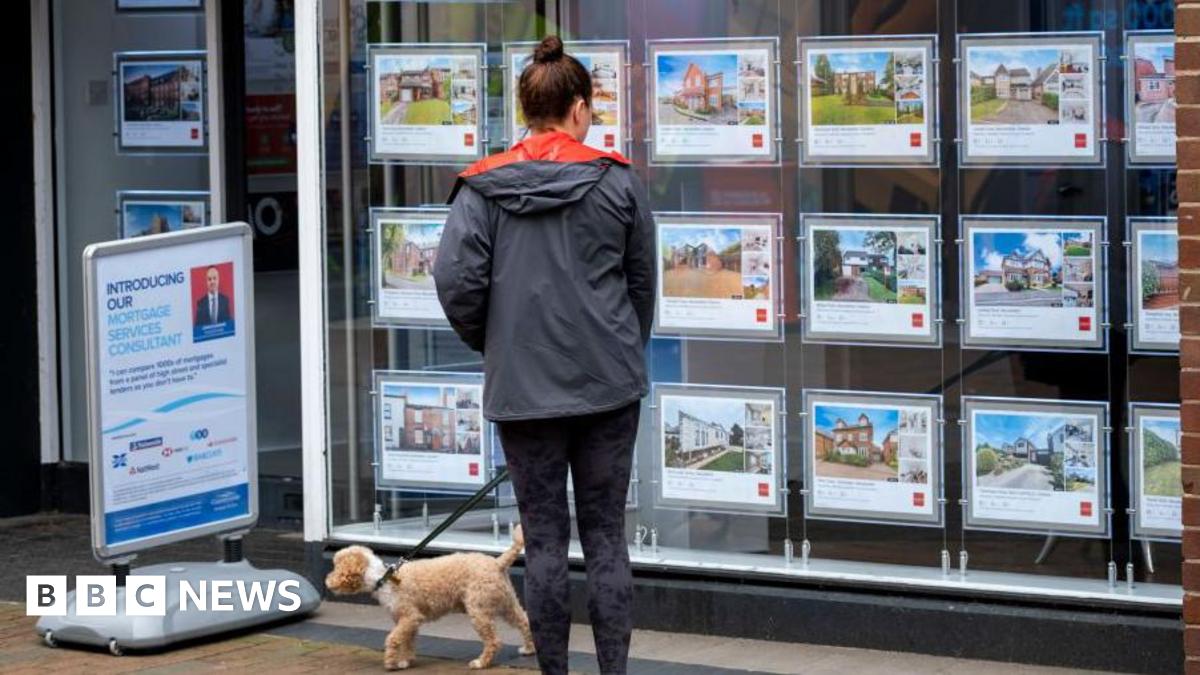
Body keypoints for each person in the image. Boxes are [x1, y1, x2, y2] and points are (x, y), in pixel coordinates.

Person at [433, 35, 654, 675]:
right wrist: (619, 347)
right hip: (608, 386)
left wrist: (496, 342)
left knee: (546, 542)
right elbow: (641, 286)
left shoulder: (481, 189)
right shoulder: (619, 183)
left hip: (524, 388)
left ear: (527, 112)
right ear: (579, 108)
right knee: (608, 537)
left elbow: (455, 284)